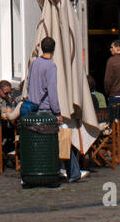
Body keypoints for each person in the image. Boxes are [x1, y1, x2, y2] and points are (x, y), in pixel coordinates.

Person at [27, 36, 87, 182]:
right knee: (63, 140)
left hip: (34, 108)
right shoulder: (51, 66)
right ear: (54, 49)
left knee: (40, 142)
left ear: (41, 47)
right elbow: (52, 90)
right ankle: (73, 172)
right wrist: (57, 112)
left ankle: (44, 169)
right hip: (47, 109)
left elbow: (28, 85)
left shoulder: (34, 63)